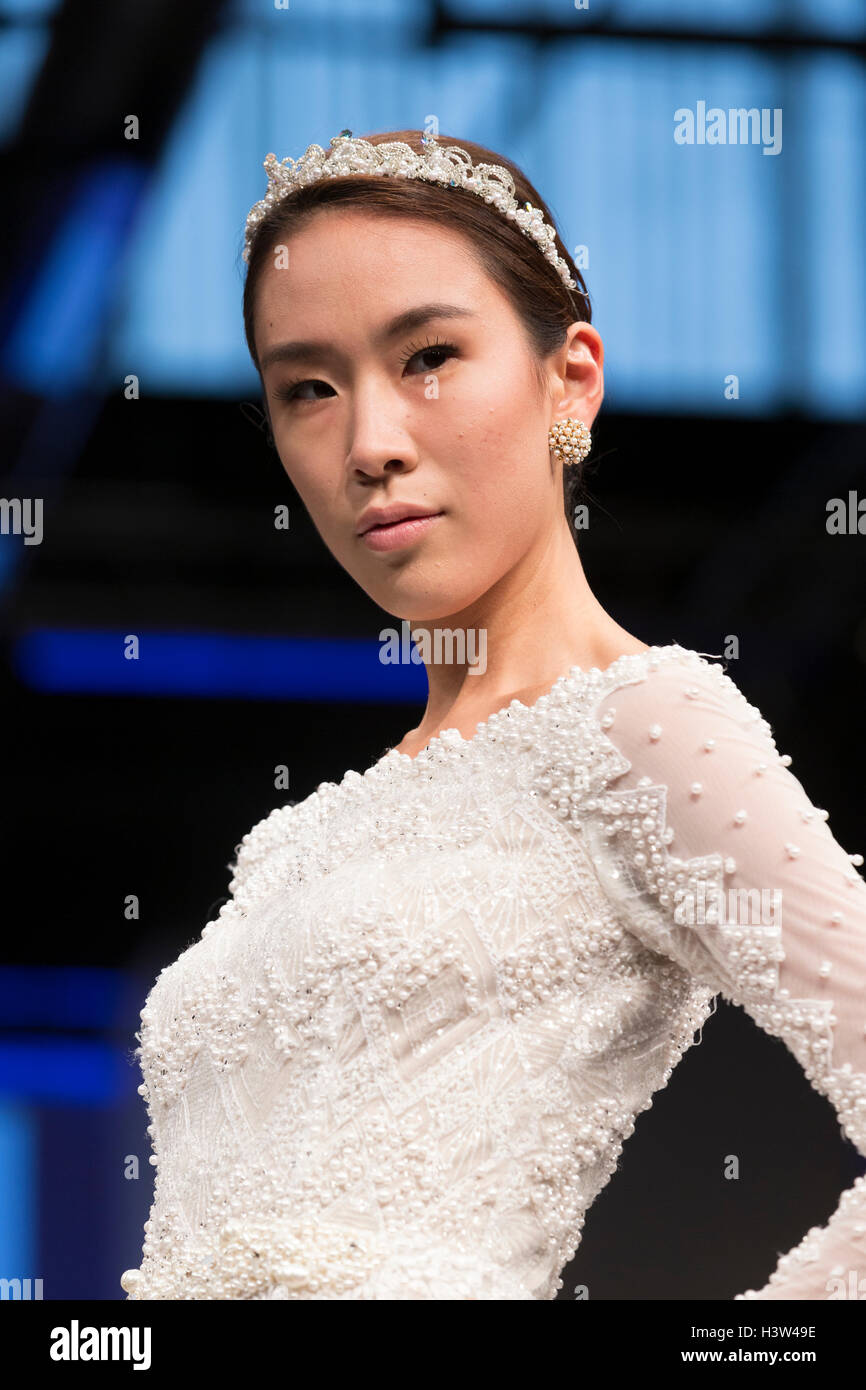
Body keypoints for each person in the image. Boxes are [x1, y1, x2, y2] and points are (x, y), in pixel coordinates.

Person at [120, 129, 866, 1300]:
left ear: (567, 377)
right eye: (306, 388)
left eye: (427, 356)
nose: (370, 445)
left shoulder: (642, 725)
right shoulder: (294, 842)